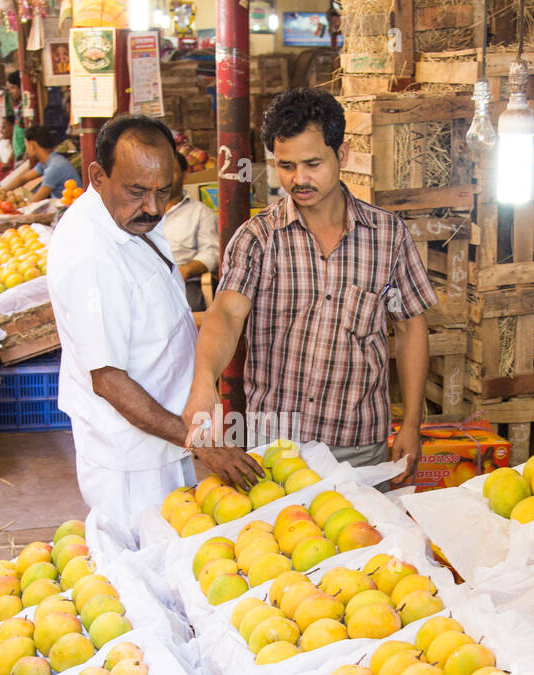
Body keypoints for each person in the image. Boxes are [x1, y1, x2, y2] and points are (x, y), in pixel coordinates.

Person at [181, 88, 434, 481]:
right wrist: (203, 381)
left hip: (359, 444)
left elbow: (410, 326)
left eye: (312, 163)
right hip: (277, 447)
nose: (299, 179)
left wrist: (413, 424)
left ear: (342, 155)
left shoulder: (388, 236)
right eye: (286, 166)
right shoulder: (257, 238)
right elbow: (227, 312)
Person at [46, 114, 256, 546]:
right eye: (137, 191)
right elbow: (107, 380)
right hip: (131, 460)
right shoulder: (90, 256)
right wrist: (199, 441)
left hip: (167, 437)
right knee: (144, 566)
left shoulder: (133, 220)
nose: (154, 207)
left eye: (163, 191)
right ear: (98, 176)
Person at [162, 152, 219, 312]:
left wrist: (185, 271)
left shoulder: (200, 213)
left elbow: (211, 253)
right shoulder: (142, 212)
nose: (164, 179)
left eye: (171, 172)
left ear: (184, 175)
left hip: (186, 283)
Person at [3, 125, 74, 200]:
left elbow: (36, 200)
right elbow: (23, 179)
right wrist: (1, 191)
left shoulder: (54, 167)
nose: (26, 152)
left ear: (32, 145)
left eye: (26, 146)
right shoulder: (49, 161)